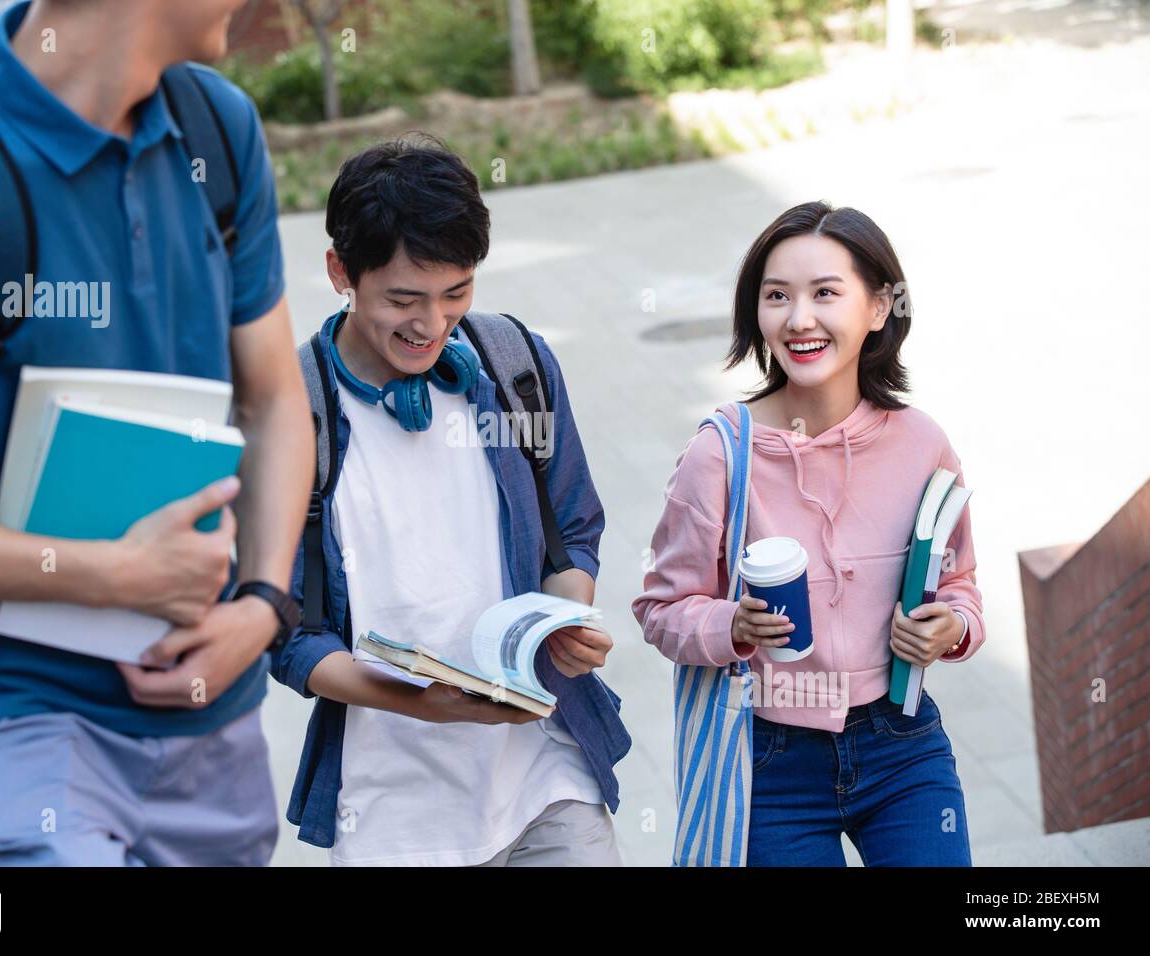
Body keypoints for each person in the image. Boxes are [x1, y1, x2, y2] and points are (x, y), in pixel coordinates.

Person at [0, 0, 314, 866]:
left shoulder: (220, 127)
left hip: (205, 709)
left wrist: (263, 604)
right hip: (3, 718)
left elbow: (274, 400)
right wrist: (110, 576)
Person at [272, 137, 631, 866]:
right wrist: (421, 701)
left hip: (544, 772)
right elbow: (284, 633)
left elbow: (572, 528)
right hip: (394, 815)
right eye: (403, 299)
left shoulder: (514, 365)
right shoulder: (292, 411)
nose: (432, 324)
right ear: (341, 270)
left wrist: (564, 617)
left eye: (456, 292)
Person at [633, 201, 984, 866]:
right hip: (771, 761)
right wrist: (731, 625)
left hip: (902, 746)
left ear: (879, 306)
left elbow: (961, 584)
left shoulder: (921, 442)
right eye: (776, 297)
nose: (799, 319)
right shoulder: (720, 455)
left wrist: (952, 627)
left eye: (826, 293)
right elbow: (659, 610)